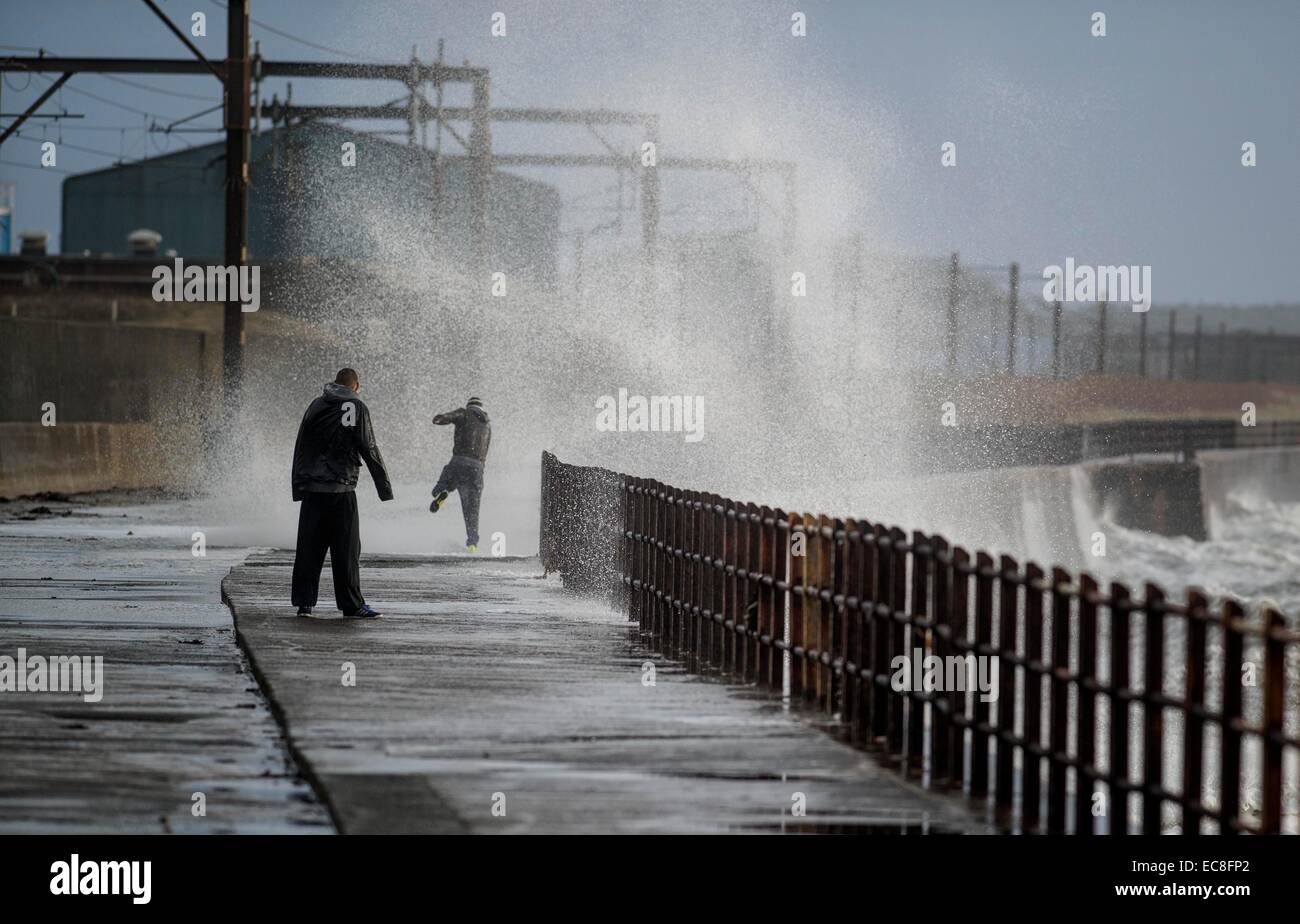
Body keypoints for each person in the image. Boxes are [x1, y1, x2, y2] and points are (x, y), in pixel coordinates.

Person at [291, 368, 393, 618]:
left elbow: (301, 444)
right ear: (356, 386)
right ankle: (352, 605)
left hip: (313, 489)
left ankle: (305, 604)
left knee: (309, 548)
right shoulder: (357, 407)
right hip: (342, 489)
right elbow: (368, 446)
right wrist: (384, 488)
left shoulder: (316, 405)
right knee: (346, 550)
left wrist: (298, 485)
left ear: (333, 383)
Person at [429, 396, 491, 551]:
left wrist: (439, 419)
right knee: (472, 509)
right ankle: (472, 543)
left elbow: (447, 418)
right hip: (477, 469)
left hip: (459, 461)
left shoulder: (464, 413)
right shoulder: (487, 425)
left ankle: (442, 490)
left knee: (449, 476)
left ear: (469, 405)